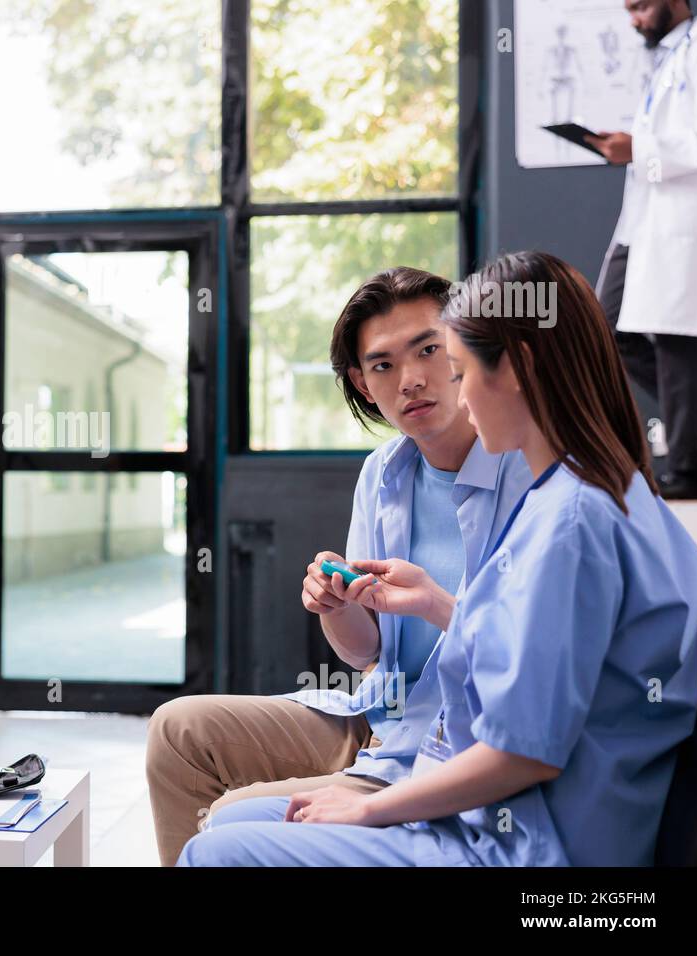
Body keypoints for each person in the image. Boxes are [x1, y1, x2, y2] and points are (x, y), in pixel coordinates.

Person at [179, 251, 697, 867]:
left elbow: (527, 750)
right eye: (385, 365)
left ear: (517, 369)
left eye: (455, 365)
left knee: (220, 851)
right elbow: (536, 656)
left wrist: (372, 807)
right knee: (233, 819)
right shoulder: (596, 491)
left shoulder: (570, 518)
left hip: (526, 840)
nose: (446, 388)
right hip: (500, 803)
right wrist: (430, 601)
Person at [146, 268, 532, 866]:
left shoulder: (528, 475)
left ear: (463, 347)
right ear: (362, 382)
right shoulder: (384, 473)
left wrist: (437, 602)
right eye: (382, 366)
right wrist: (338, 603)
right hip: (380, 716)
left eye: (429, 349)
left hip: (451, 743)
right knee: (179, 730)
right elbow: (365, 653)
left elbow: (536, 666)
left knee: (230, 822)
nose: (411, 380)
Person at [587, 0, 697, 499]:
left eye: (641, 6)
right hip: (643, 217)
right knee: (602, 326)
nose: (634, 20)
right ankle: (692, 428)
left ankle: (684, 468)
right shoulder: (667, 57)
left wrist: (640, 149)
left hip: (683, 216)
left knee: (678, 339)